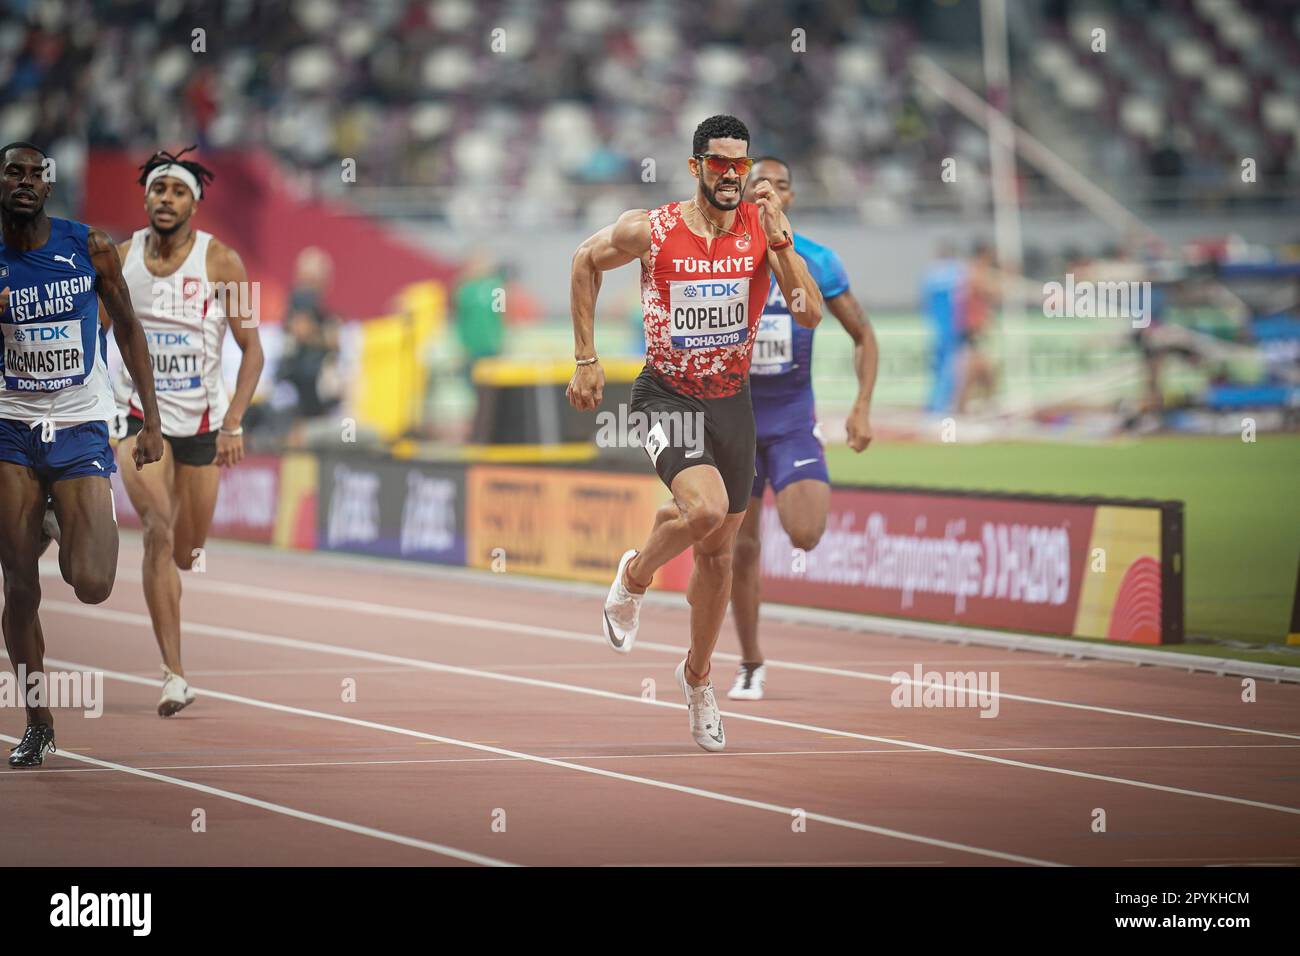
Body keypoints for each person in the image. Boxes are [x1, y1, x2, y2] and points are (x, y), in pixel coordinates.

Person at [566, 115, 823, 752]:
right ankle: (636, 575)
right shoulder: (650, 230)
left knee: (717, 552)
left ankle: (697, 677)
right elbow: (584, 262)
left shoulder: (764, 236)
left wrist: (782, 243)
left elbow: (809, 311)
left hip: (732, 402)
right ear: (696, 166)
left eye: (742, 164)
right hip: (666, 394)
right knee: (705, 510)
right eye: (720, 164)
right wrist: (586, 357)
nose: (732, 175)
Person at [0, 141, 163, 767]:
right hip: (11, 425)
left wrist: (151, 418)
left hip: (79, 424)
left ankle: (57, 518)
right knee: (18, 583)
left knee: (91, 582)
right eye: (11, 172)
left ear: (48, 185)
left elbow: (126, 326)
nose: (22, 182)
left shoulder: (88, 247)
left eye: (33, 174)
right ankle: (38, 720)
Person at [111, 147, 265, 717]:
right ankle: (174, 674)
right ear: (146, 198)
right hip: (136, 418)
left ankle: (179, 552)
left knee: (186, 549)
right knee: (156, 527)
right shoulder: (121, 258)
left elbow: (253, 351)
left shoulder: (223, 262)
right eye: (158, 191)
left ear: (194, 204)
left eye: (177, 192)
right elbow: (88, 329)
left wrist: (233, 422)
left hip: (201, 425)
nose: (166, 200)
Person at [726, 157, 879, 701]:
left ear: (789, 198)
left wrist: (861, 406)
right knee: (741, 550)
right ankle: (749, 661)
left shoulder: (817, 259)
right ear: (739, 195)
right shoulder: (718, 258)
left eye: (782, 185)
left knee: (806, 533)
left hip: (791, 420)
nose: (770, 193)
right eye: (757, 186)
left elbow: (863, 335)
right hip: (733, 423)